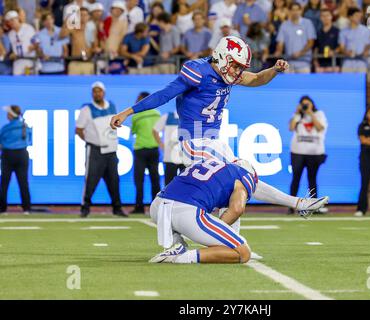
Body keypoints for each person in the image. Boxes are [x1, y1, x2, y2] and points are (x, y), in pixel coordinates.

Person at [110, 35, 328, 235]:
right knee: (241, 174)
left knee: (244, 181)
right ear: (222, 56)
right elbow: (164, 95)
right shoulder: (197, 71)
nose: (236, 71)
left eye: (240, 67)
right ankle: (292, 205)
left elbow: (256, 79)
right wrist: (128, 112)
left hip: (213, 142)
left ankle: (277, 214)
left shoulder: (230, 74)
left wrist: (274, 70)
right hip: (193, 140)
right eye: (235, 65)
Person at [149, 158, 328, 264]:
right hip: (187, 211)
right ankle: (181, 257)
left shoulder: (210, 164)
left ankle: (177, 244)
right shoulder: (244, 176)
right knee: (242, 252)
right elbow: (237, 208)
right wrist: (216, 234)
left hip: (157, 207)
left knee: (200, 223)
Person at [75, 81, 126, 218]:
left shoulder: (112, 106)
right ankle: (85, 208)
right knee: (90, 180)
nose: (97, 93)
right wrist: (90, 140)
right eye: (94, 91)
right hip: (95, 150)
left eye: (99, 91)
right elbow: (78, 129)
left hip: (111, 150)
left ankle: (117, 208)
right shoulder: (87, 110)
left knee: (114, 180)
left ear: (104, 92)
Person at [288, 96, 328, 214]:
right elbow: (291, 128)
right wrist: (297, 113)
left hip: (314, 153)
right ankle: (291, 206)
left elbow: (320, 128)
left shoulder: (319, 114)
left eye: (308, 104)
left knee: (312, 179)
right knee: (296, 178)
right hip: (297, 152)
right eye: (303, 104)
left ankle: (314, 206)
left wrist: (311, 113)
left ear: (312, 104)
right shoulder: (298, 116)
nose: (305, 106)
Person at [131, 92, 161, 214]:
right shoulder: (157, 114)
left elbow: (134, 131)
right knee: (155, 179)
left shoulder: (136, 116)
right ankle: (156, 208)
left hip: (140, 150)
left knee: (139, 180)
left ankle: (139, 207)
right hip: (154, 149)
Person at [0, 105, 32, 215]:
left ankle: (2, 209)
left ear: (11, 115)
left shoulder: (5, 128)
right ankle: (27, 209)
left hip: (8, 155)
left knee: (4, 183)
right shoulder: (25, 127)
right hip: (22, 155)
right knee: (23, 182)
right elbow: (29, 140)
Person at [274, 2, 316, 73]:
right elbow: (280, 43)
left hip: (304, 63)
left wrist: (300, 53)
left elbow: (311, 42)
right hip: (288, 64)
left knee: (304, 84)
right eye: (293, 10)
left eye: (297, 10)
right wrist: (279, 50)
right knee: (288, 84)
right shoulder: (284, 25)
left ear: (301, 11)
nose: (295, 12)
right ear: (289, 11)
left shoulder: (308, 23)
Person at [153, 108, 185, 186]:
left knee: (186, 184)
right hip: (170, 157)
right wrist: (161, 144)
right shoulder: (167, 117)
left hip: (186, 157)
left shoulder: (191, 117)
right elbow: (155, 130)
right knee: (169, 184)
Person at [60, 7, 95, 75]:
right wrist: (67, 21)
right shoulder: (73, 29)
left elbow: (94, 46)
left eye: (85, 15)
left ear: (88, 17)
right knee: (72, 85)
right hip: (75, 63)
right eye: (81, 15)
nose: (83, 17)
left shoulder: (92, 30)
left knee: (88, 84)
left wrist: (95, 49)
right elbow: (61, 35)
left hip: (87, 63)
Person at [339, 7, 370, 73]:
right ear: (350, 17)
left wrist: (366, 51)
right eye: (356, 16)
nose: (359, 17)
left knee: (362, 82)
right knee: (346, 82)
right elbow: (342, 47)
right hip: (348, 62)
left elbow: (368, 45)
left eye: (360, 16)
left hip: (361, 62)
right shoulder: (343, 31)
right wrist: (347, 52)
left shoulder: (366, 30)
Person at [4, 10, 36, 75]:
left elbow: (36, 43)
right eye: (9, 22)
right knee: (17, 83)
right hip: (17, 62)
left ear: (18, 18)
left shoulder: (28, 28)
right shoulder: (10, 34)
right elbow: (10, 51)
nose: (11, 23)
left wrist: (34, 46)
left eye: (13, 20)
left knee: (30, 83)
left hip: (29, 60)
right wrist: (11, 55)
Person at [314, 8, 340, 73]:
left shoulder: (337, 31)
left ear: (331, 16)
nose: (325, 18)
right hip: (320, 65)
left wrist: (334, 52)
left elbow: (341, 46)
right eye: (323, 16)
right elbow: (316, 47)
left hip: (334, 64)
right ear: (320, 18)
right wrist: (315, 61)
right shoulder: (318, 32)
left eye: (327, 15)